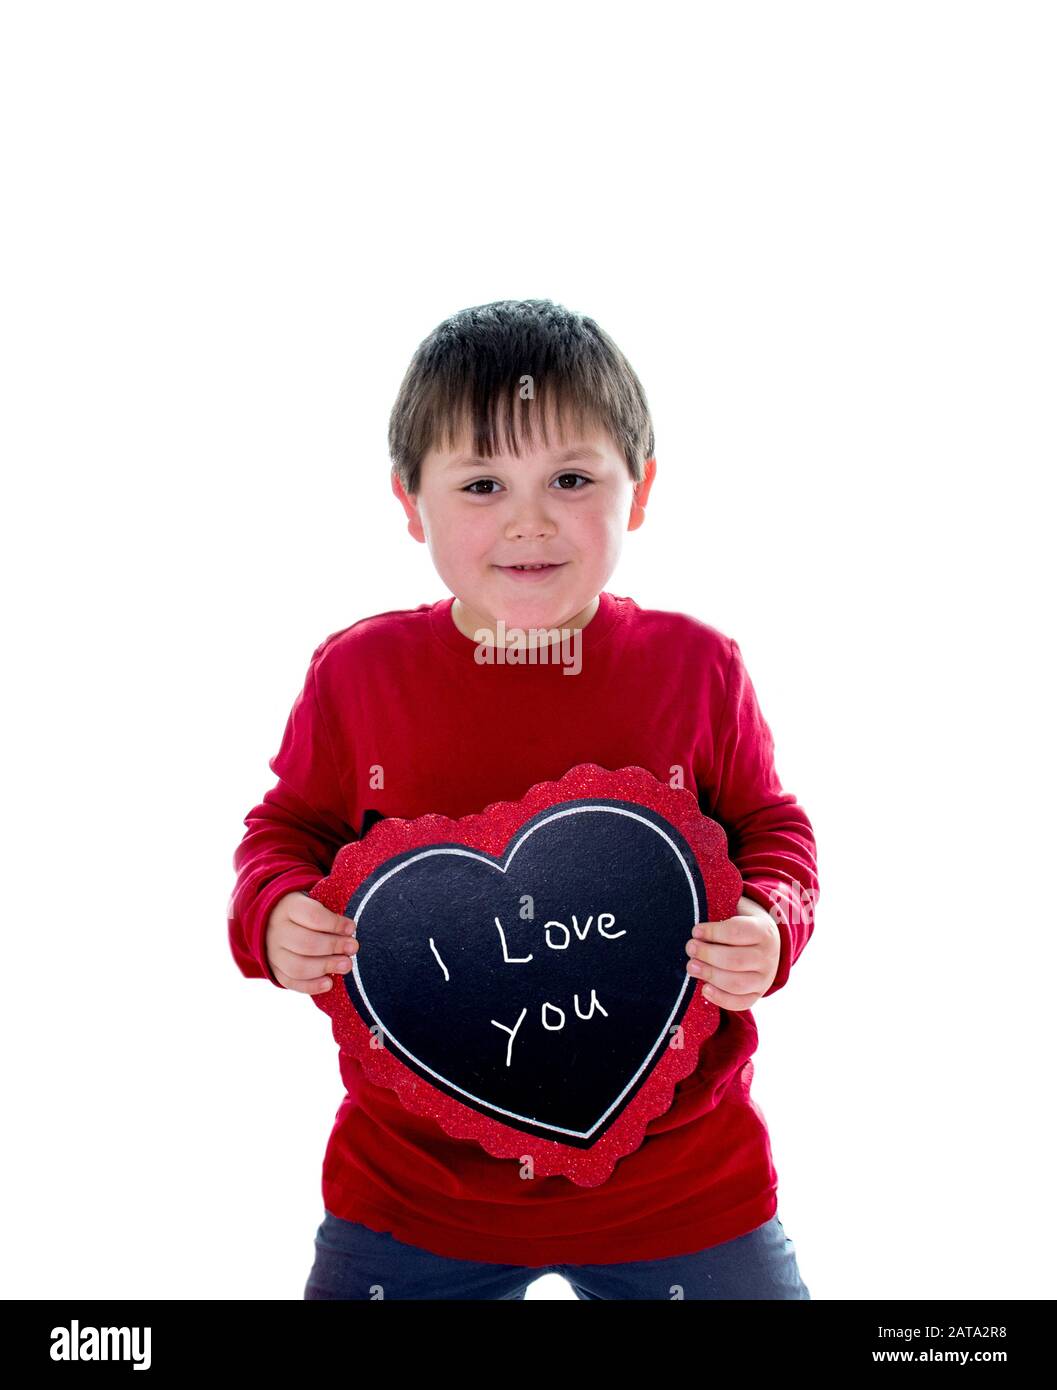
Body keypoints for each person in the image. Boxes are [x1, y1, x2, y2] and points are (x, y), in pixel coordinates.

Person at [228, 298, 819, 1300]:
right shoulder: (358, 675)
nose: (529, 519)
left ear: (639, 492)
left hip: (679, 1183)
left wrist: (771, 917)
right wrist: (274, 911)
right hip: (415, 1189)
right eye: (483, 483)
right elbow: (284, 831)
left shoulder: (697, 666)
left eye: (572, 479)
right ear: (410, 503)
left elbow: (772, 830)